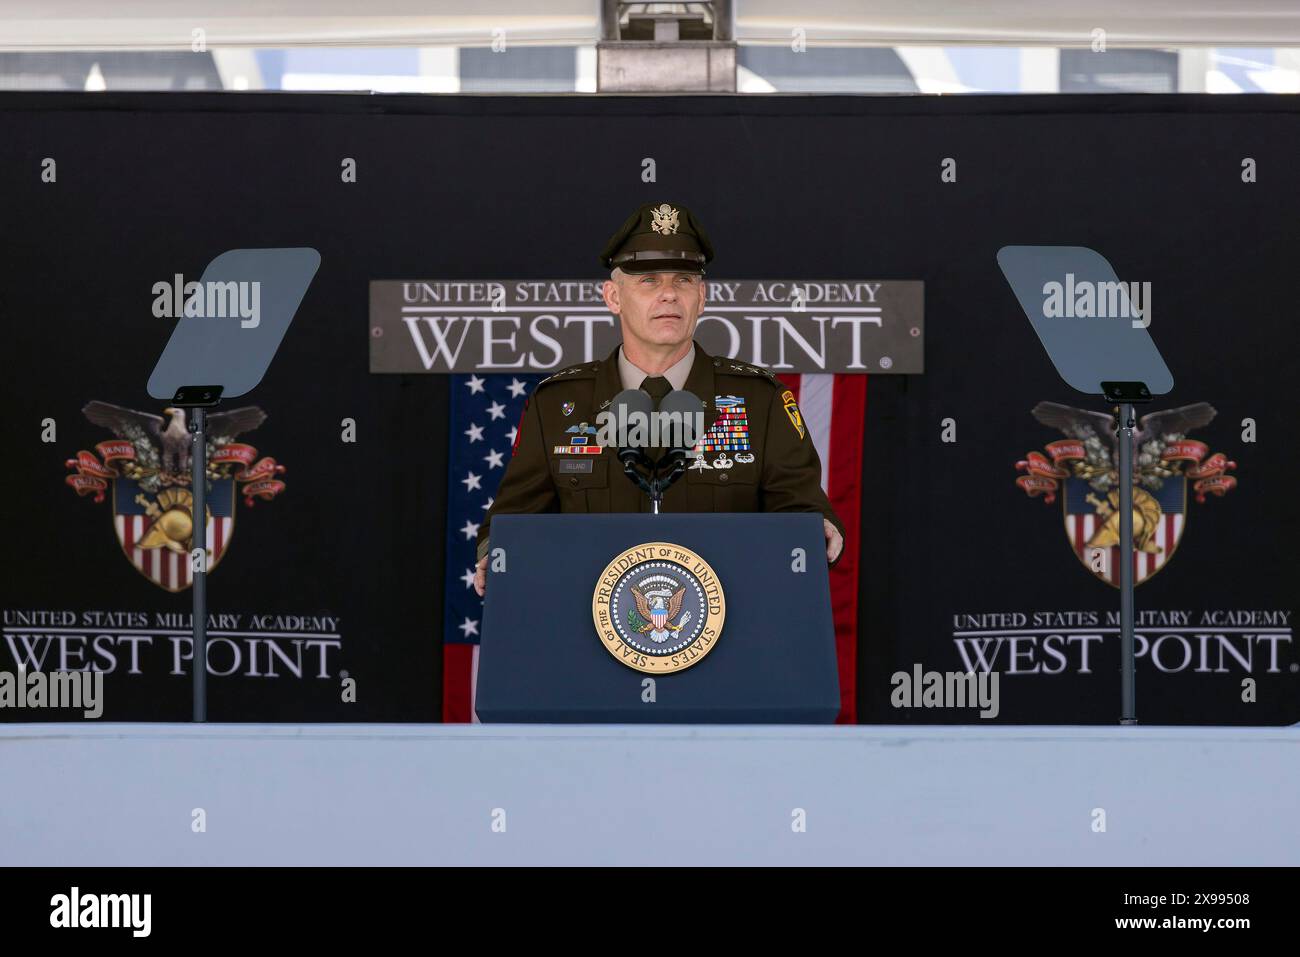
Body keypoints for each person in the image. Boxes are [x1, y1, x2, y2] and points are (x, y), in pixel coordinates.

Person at [474, 201, 844, 596]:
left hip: (729, 632)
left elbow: (799, 507)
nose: (669, 294)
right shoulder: (558, 404)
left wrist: (815, 526)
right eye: (648, 280)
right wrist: (495, 551)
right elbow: (513, 519)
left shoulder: (760, 401)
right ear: (613, 297)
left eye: (683, 281)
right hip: (588, 631)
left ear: (701, 297)